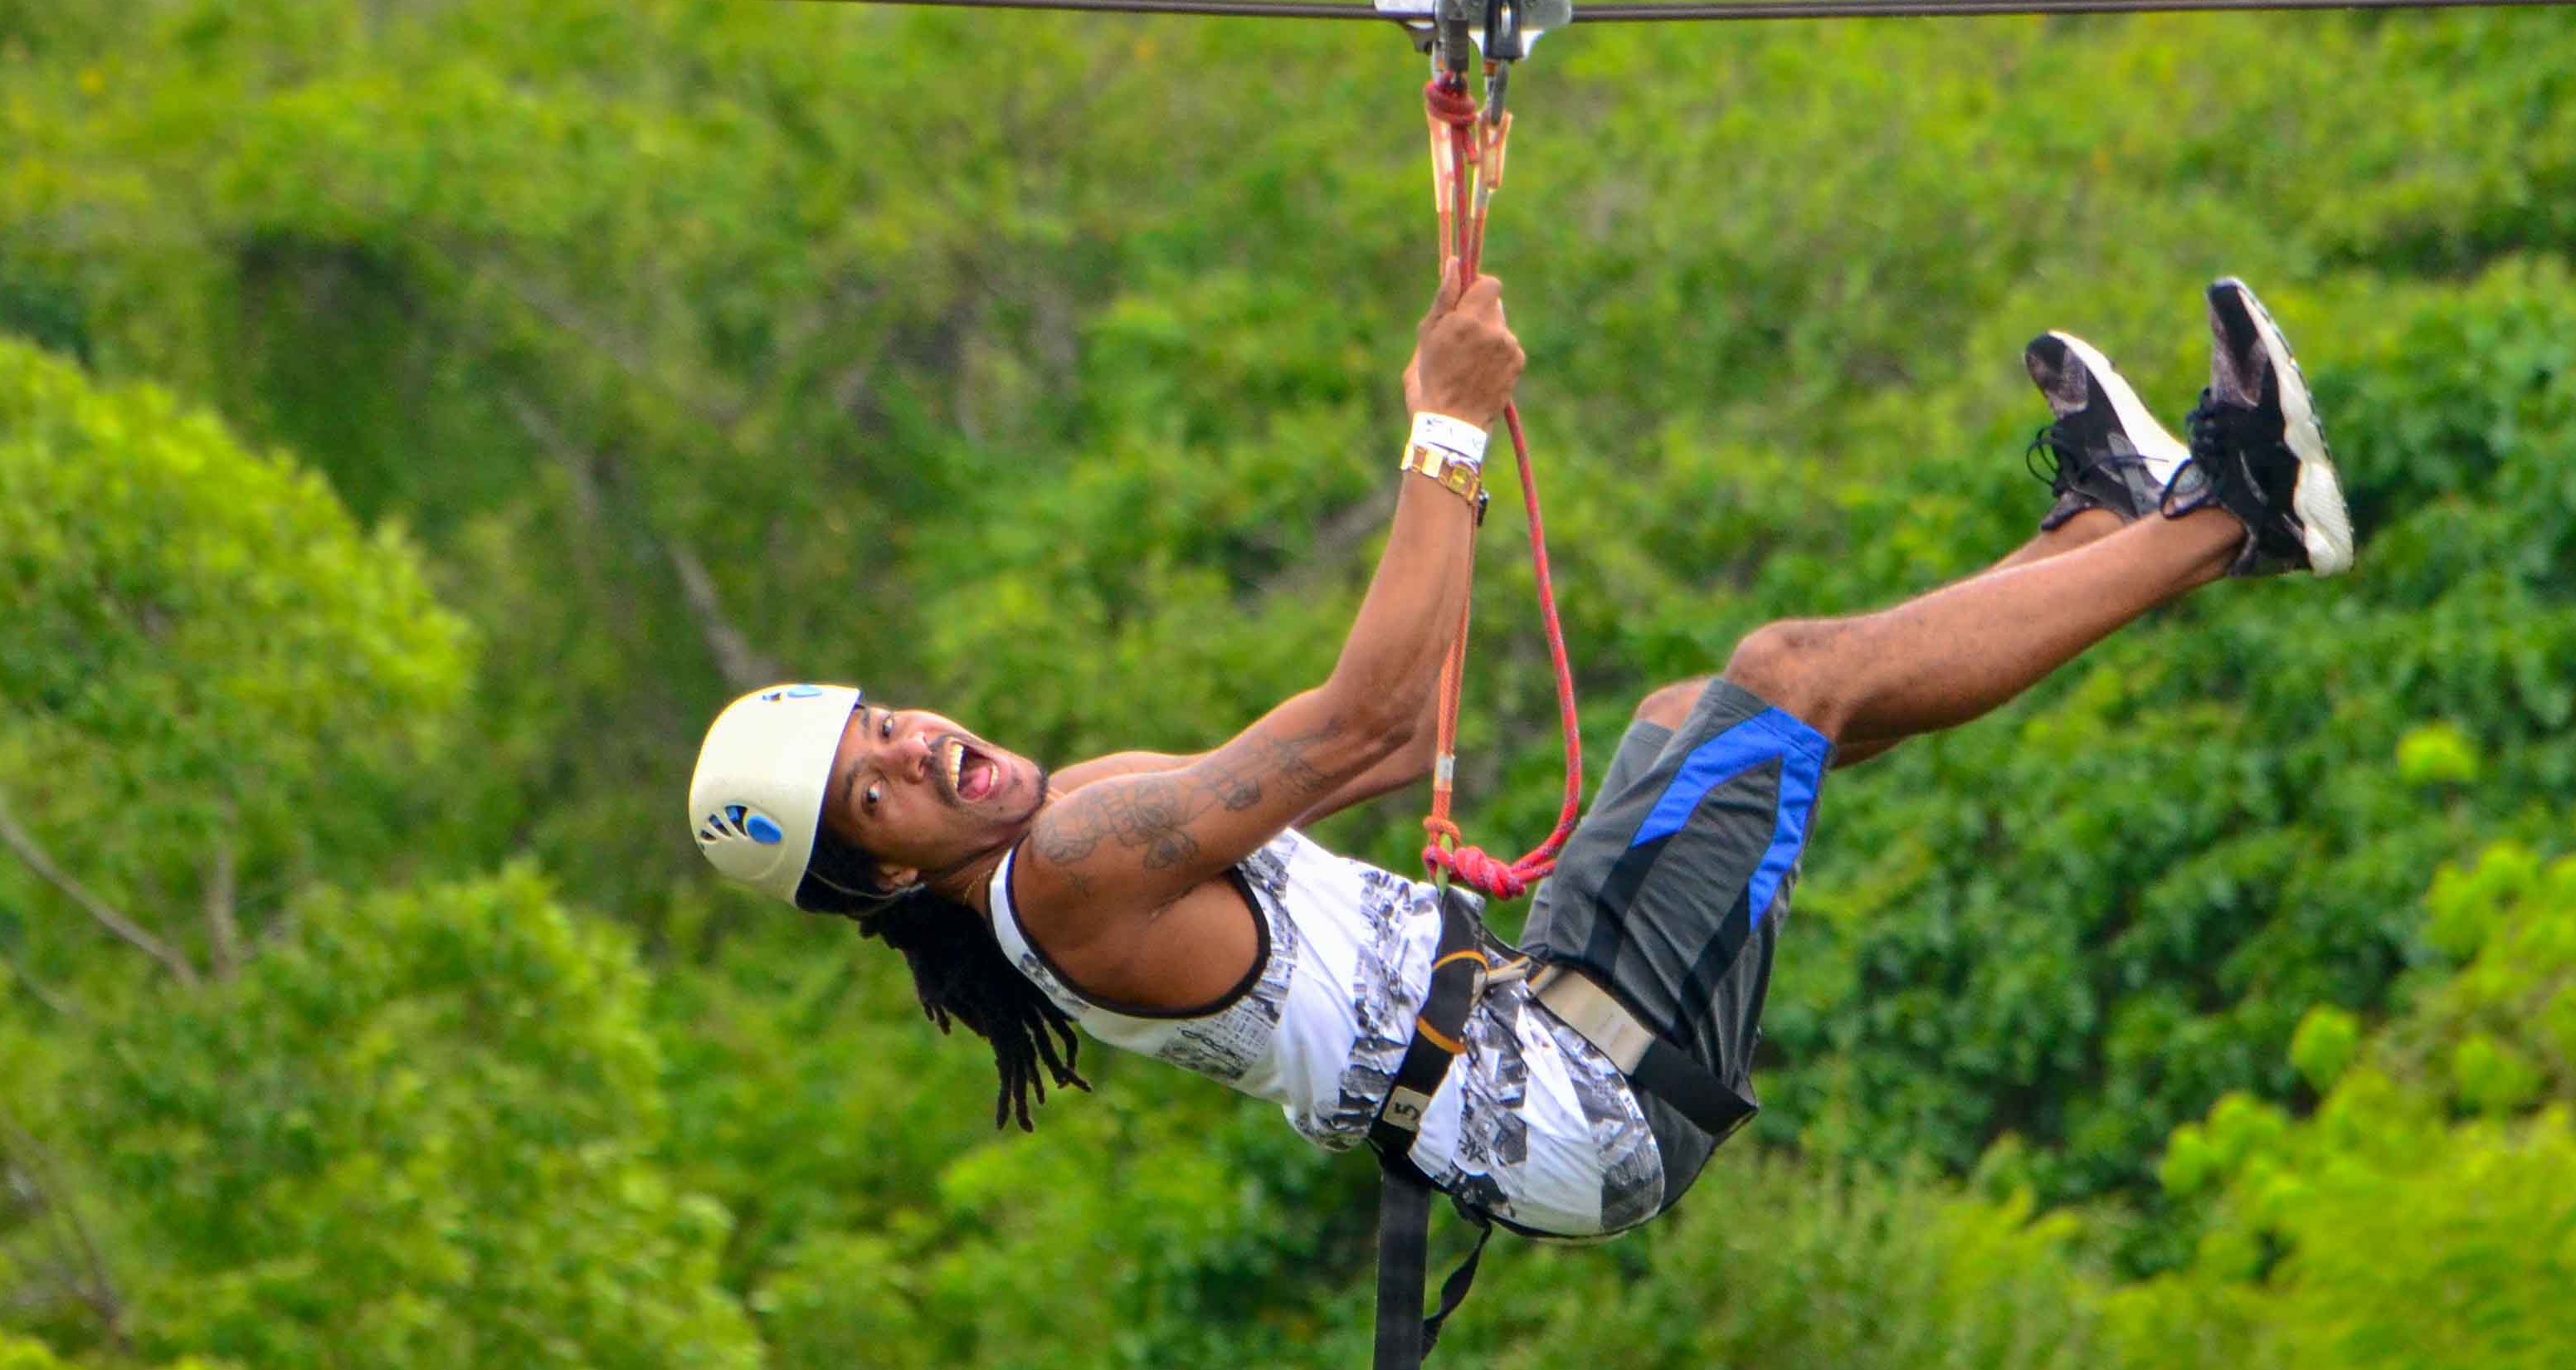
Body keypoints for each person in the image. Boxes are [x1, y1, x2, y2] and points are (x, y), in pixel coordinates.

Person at [687, 275, 2352, 1246]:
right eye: (877, 785)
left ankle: (2100, 528)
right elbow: (1376, 728)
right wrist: (1444, 422)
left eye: (887, 718)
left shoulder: (1077, 823)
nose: (918, 742)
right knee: (1781, 682)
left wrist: (1451, 449)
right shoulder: (1068, 868)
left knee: (1684, 716)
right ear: (883, 869)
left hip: (1533, 1012)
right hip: (1586, 1100)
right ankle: (2233, 520)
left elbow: (1350, 725)